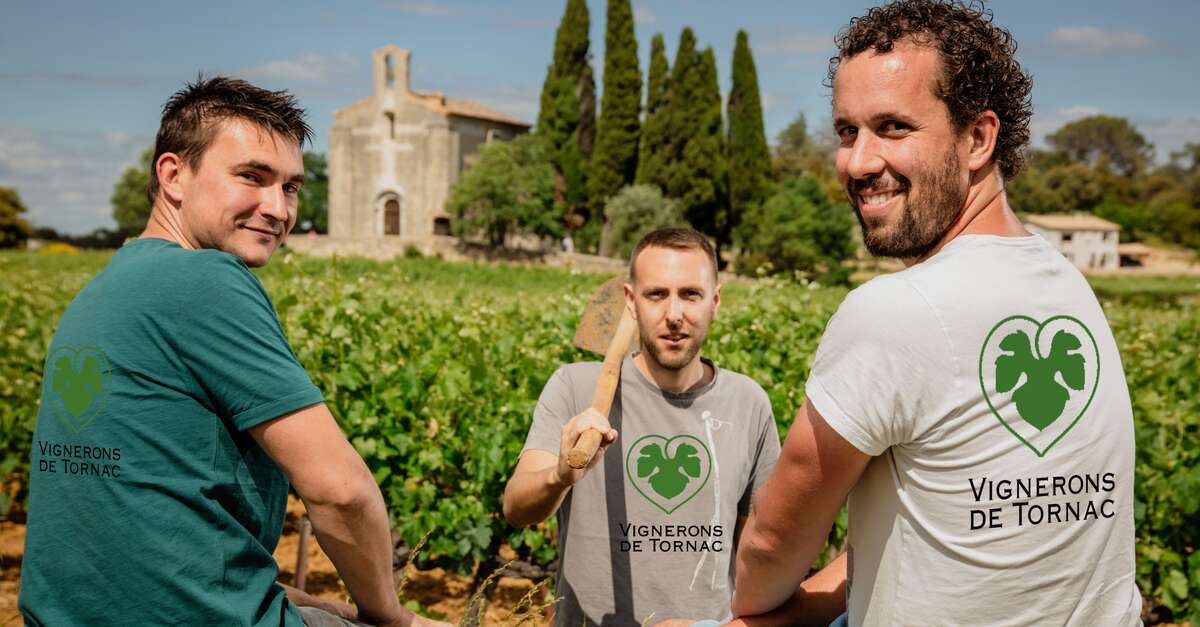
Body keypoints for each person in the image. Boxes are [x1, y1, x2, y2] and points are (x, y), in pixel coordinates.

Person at [731, 1, 1141, 626]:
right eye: (848, 131)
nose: (859, 162)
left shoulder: (896, 310)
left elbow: (768, 545)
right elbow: (949, 523)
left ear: (977, 138)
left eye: (893, 127)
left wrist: (742, 615)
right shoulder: (1068, 287)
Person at [19, 77, 447, 627]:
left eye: (291, 187)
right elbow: (339, 491)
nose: (277, 208)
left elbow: (141, 521)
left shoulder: (108, 285)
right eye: (252, 177)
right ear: (173, 175)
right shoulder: (203, 279)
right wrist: (390, 615)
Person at [502, 228, 781, 626]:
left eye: (690, 294)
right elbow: (516, 508)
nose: (674, 315)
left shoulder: (747, 403)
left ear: (715, 301)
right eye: (656, 294)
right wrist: (560, 475)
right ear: (631, 302)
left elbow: (760, 545)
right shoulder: (575, 388)